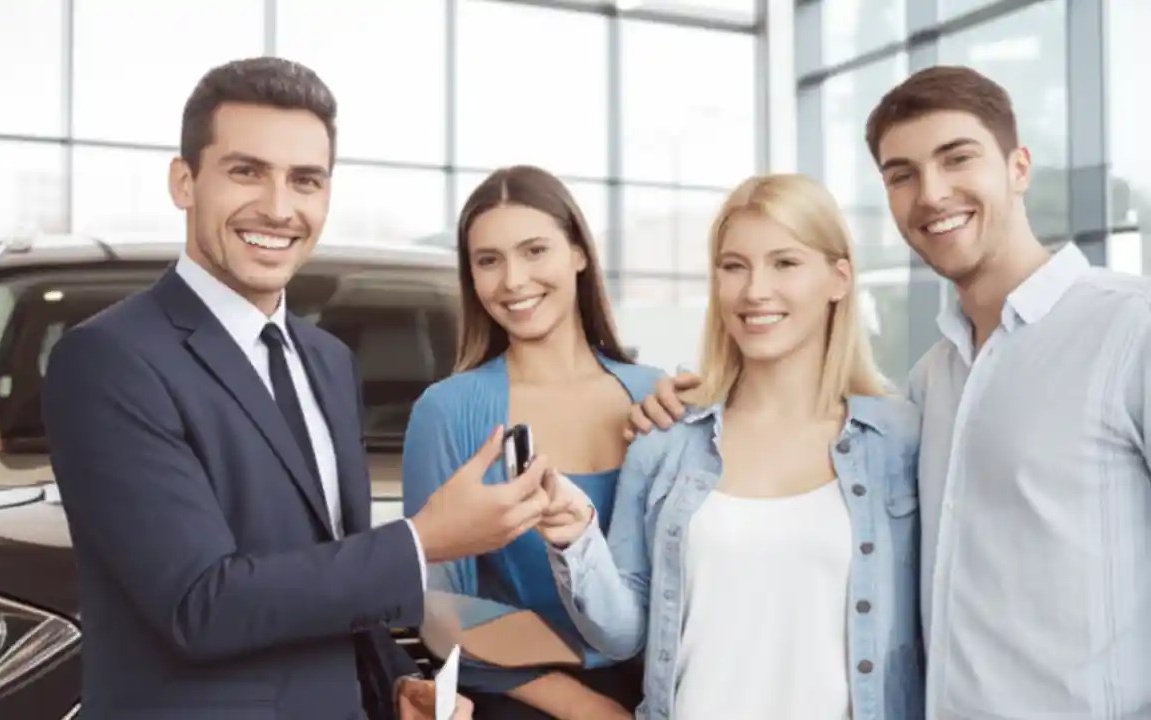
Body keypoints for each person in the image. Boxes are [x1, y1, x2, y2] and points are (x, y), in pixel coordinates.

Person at [632, 66, 1151, 718]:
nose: (931, 193)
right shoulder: (927, 389)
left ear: (1019, 168)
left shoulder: (1132, 329)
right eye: (901, 174)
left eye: (957, 158)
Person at [42, 57, 551, 719]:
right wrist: (425, 540)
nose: (279, 209)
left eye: (305, 180)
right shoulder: (109, 360)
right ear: (184, 181)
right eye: (246, 171)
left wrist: (392, 680)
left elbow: (329, 568)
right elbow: (201, 604)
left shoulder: (327, 360)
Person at [541, 173, 924, 719]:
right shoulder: (666, 440)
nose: (754, 290)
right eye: (733, 266)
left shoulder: (899, 439)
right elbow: (622, 634)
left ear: (839, 278)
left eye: (784, 263)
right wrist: (576, 539)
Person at [402, 165, 659, 719]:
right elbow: (441, 608)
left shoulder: (656, 398)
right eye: (488, 261)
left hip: (663, 693)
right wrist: (583, 705)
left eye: (535, 250)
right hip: (524, 702)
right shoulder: (449, 410)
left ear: (579, 254)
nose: (513, 280)